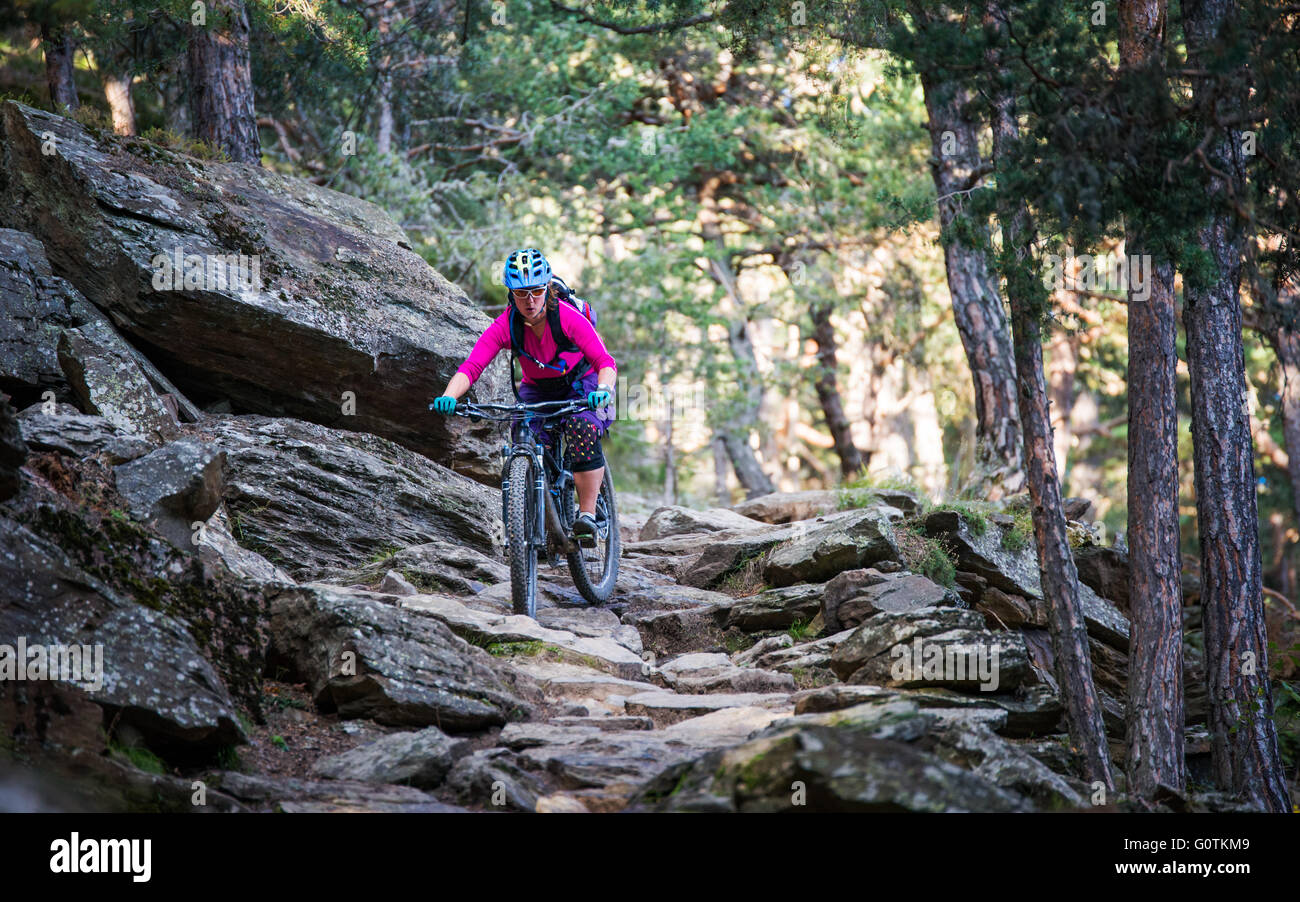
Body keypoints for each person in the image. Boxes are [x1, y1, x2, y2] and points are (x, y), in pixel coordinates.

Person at [432, 248, 616, 542]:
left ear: (547, 289)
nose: (529, 300)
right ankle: (534, 531)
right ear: (510, 293)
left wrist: (603, 390)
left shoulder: (567, 318)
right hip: (538, 387)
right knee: (525, 437)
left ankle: (588, 516)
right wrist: (449, 396)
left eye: (536, 291)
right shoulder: (505, 325)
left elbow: (605, 362)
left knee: (581, 427)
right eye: (521, 293)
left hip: (583, 381)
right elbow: (473, 365)